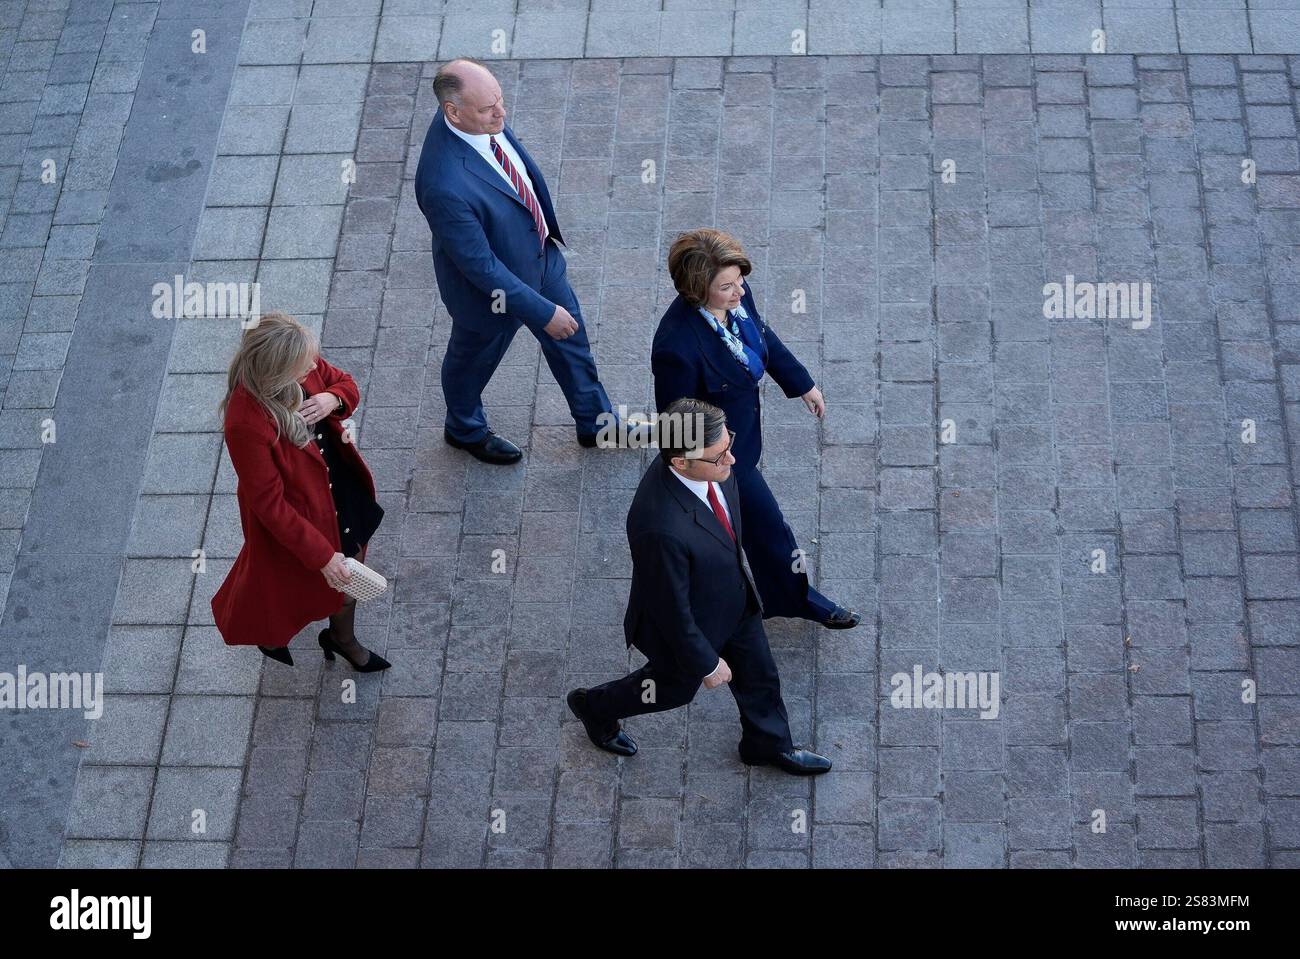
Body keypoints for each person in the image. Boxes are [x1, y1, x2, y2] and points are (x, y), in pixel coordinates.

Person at [567, 399, 832, 776]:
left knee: (760, 675)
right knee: (669, 690)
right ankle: (594, 707)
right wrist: (707, 662)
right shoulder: (659, 528)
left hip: (733, 601)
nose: (732, 460)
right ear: (680, 462)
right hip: (690, 628)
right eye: (720, 456)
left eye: (729, 445)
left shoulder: (712, 465)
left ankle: (768, 746)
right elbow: (669, 608)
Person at [651, 228, 861, 630]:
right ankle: (792, 600)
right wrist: (712, 465)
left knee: (753, 532)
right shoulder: (676, 347)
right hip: (721, 458)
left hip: (740, 440)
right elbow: (677, 422)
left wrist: (802, 383)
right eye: (727, 286)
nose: (741, 293)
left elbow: (762, 336)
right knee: (770, 530)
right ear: (698, 289)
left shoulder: (734, 302)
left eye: (740, 281)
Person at [414, 57, 616, 464]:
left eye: (500, 100)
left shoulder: (482, 121)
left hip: (540, 259)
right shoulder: (442, 182)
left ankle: (596, 425)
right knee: (472, 362)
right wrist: (542, 312)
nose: (501, 113)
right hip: (490, 298)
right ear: (452, 111)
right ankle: (464, 429)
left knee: (573, 346)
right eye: (489, 108)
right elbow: (480, 267)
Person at [211, 312, 389, 672]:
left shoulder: (302, 362)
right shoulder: (244, 421)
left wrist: (332, 399)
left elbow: (345, 384)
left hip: (342, 494)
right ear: (276, 370)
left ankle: (342, 639)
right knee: (293, 585)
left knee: (349, 575)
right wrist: (322, 556)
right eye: (303, 363)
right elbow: (269, 504)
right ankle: (271, 634)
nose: (312, 365)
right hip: (303, 519)